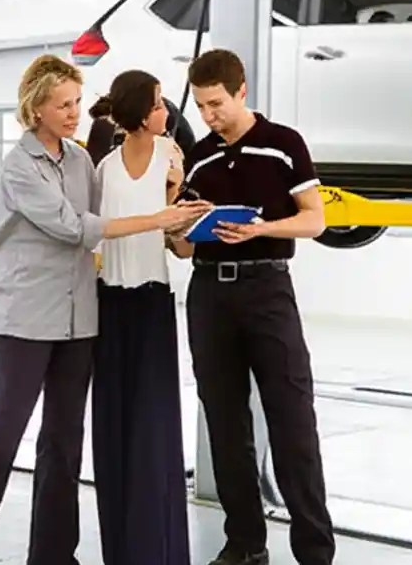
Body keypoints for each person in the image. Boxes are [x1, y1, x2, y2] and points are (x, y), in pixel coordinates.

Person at [0, 54, 207, 565]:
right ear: (37, 111)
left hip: (79, 320)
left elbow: (117, 211)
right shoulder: (19, 167)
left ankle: (54, 556)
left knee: (63, 442)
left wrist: (170, 194)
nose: (75, 113)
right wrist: (160, 215)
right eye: (64, 105)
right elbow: (77, 228)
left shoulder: (81, 162)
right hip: (26, 318)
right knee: (2, 435)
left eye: (78, 102)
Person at [170, 48, 336, 565]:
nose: (208, 116)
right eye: (200, 107)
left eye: (216, 103)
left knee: (292, 422)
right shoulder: (200, 156)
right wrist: (174, 226)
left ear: (242, 91)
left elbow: (315, 221)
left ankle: (314, 551)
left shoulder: (284, 145)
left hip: (267, 293)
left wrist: (262, 228)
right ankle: (244, 544)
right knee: (224, 422)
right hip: (209, 295)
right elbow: (185, 246)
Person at [90, 69, 210, 565]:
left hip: (153, 304)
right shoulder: (103, 169)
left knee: (154, 430)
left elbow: (180, 249)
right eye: (160, 104)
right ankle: (121, 549)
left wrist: (184, 215)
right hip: (109, 306)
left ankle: (158, 550)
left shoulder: (171, 158)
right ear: (141, 113)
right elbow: (95, 236)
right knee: (113, 429)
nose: (167, 113)